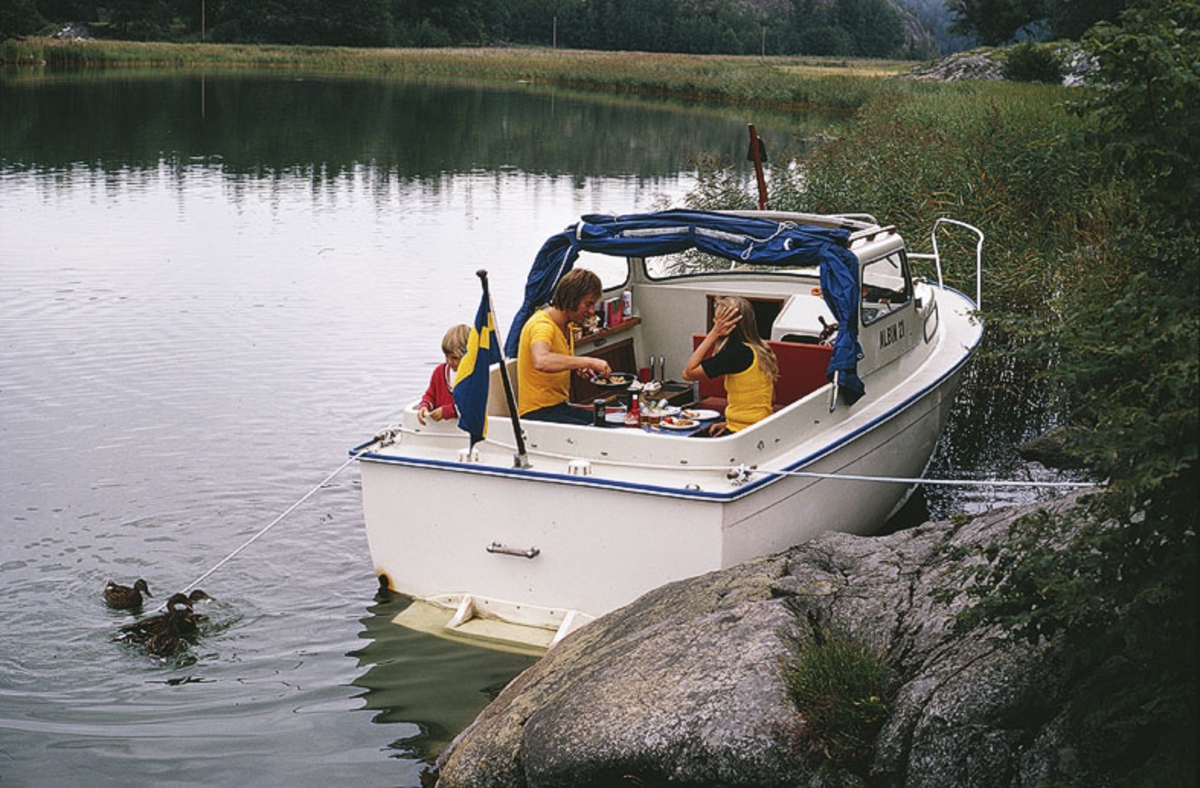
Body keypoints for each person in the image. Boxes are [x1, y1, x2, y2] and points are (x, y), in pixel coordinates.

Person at [517, 268, 611, 424]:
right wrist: (590, 362)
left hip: (559, 406)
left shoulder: (567, 326)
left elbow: (556, 359)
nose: (592, 311)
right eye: (588, 304)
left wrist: (577, 366)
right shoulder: (542, 325)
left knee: (608, 422)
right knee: (600, 430)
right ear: (572, 299)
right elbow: (541, 360)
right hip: (537, 414)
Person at [682, 296, 778, 436]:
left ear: (725, 324)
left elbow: (688, 373)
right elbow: (771, 398)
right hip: (758, 427)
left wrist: (714, 333)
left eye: (717, 321)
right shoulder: (760, 350)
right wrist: (729, 423)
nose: (714, 322)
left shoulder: (737, 353)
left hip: (742, 433)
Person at [417, 323, 471, 425]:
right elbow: (430, 395)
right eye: (446, 356)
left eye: (454, 358)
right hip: (440, 428)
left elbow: (471, 405)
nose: (449, 361)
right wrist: (425, 406)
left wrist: (447, 411)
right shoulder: (439, 372)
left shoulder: (473, 377)